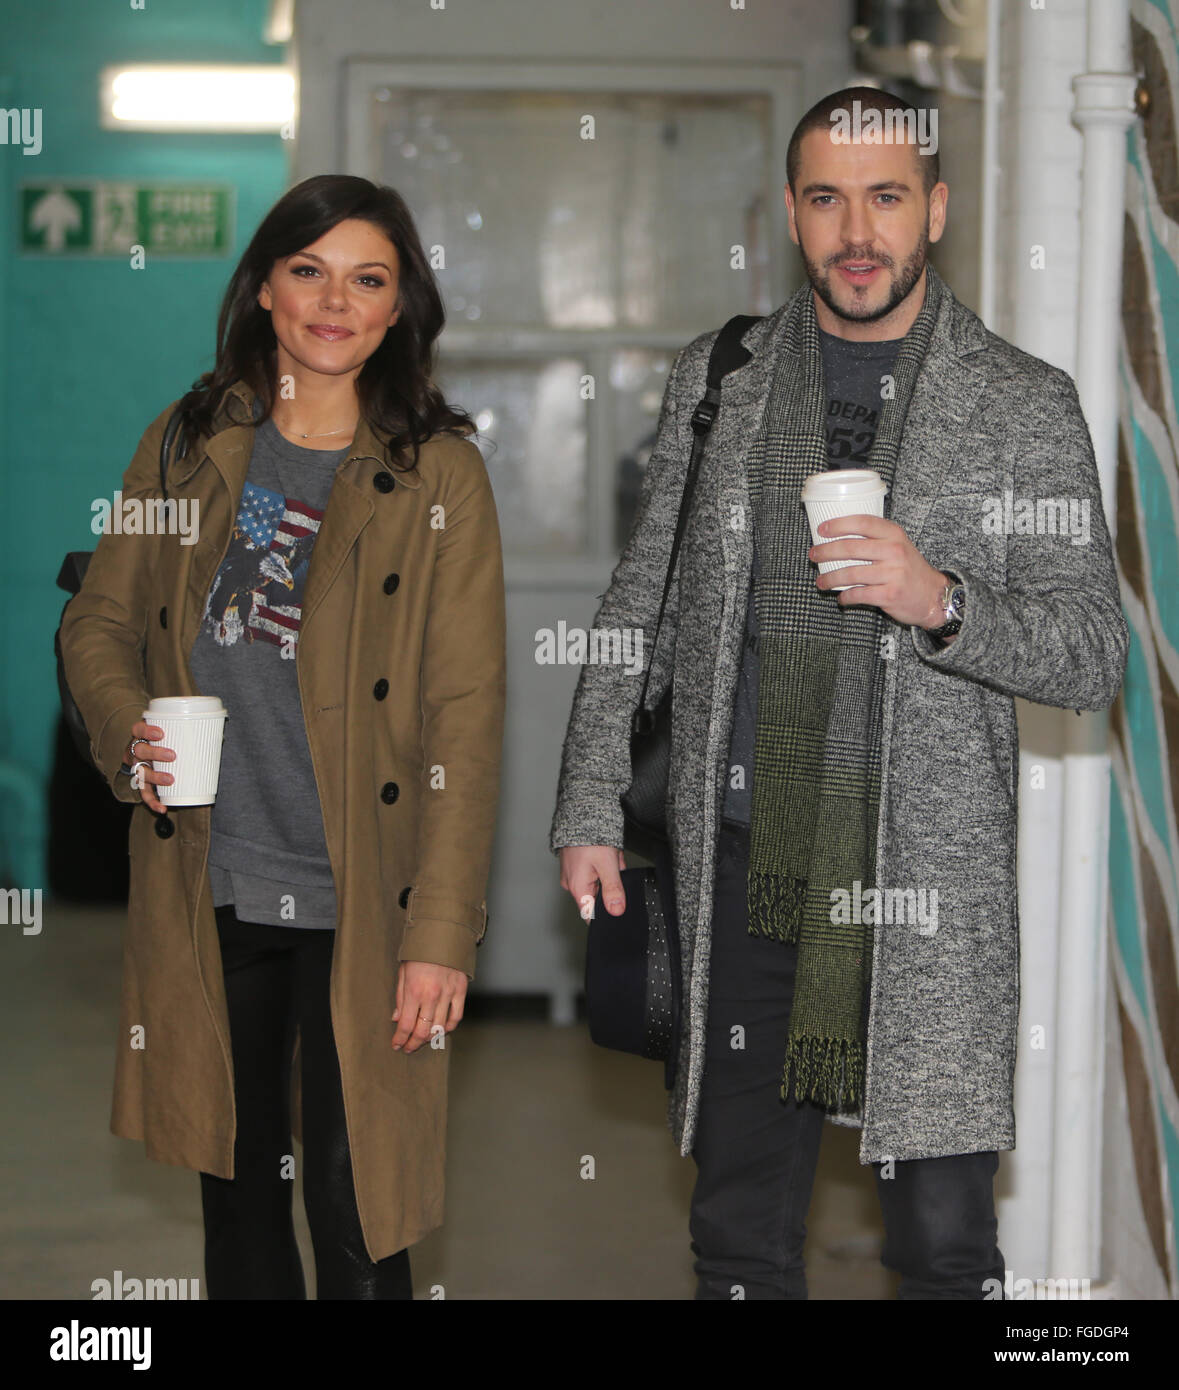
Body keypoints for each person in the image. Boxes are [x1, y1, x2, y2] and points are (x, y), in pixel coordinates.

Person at [550, 87, 1127, 1299]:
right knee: (742, 1237)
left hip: (927, 889)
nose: (856, 230)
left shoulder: (1024, 400)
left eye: (886, 196)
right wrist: (590, 799)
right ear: (793, 214)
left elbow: (1091, 651)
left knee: (942, 1250)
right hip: (747, 871)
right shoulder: (723, 377)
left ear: (938, 208)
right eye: (827, 198)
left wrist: (942, 599)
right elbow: (636, 607)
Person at [60, 174, 506, 1299]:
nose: (334, 302)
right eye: (308, 271)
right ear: (264, 286)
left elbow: (467, 710)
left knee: (364, 1215)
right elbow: (99, 620)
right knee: (241, 1204)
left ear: (400, 306)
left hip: (368, 891)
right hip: (216, 876)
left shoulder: (438, 472)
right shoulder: (189, 443)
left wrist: (443, 930)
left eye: (368, 279)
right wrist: (129, 736)